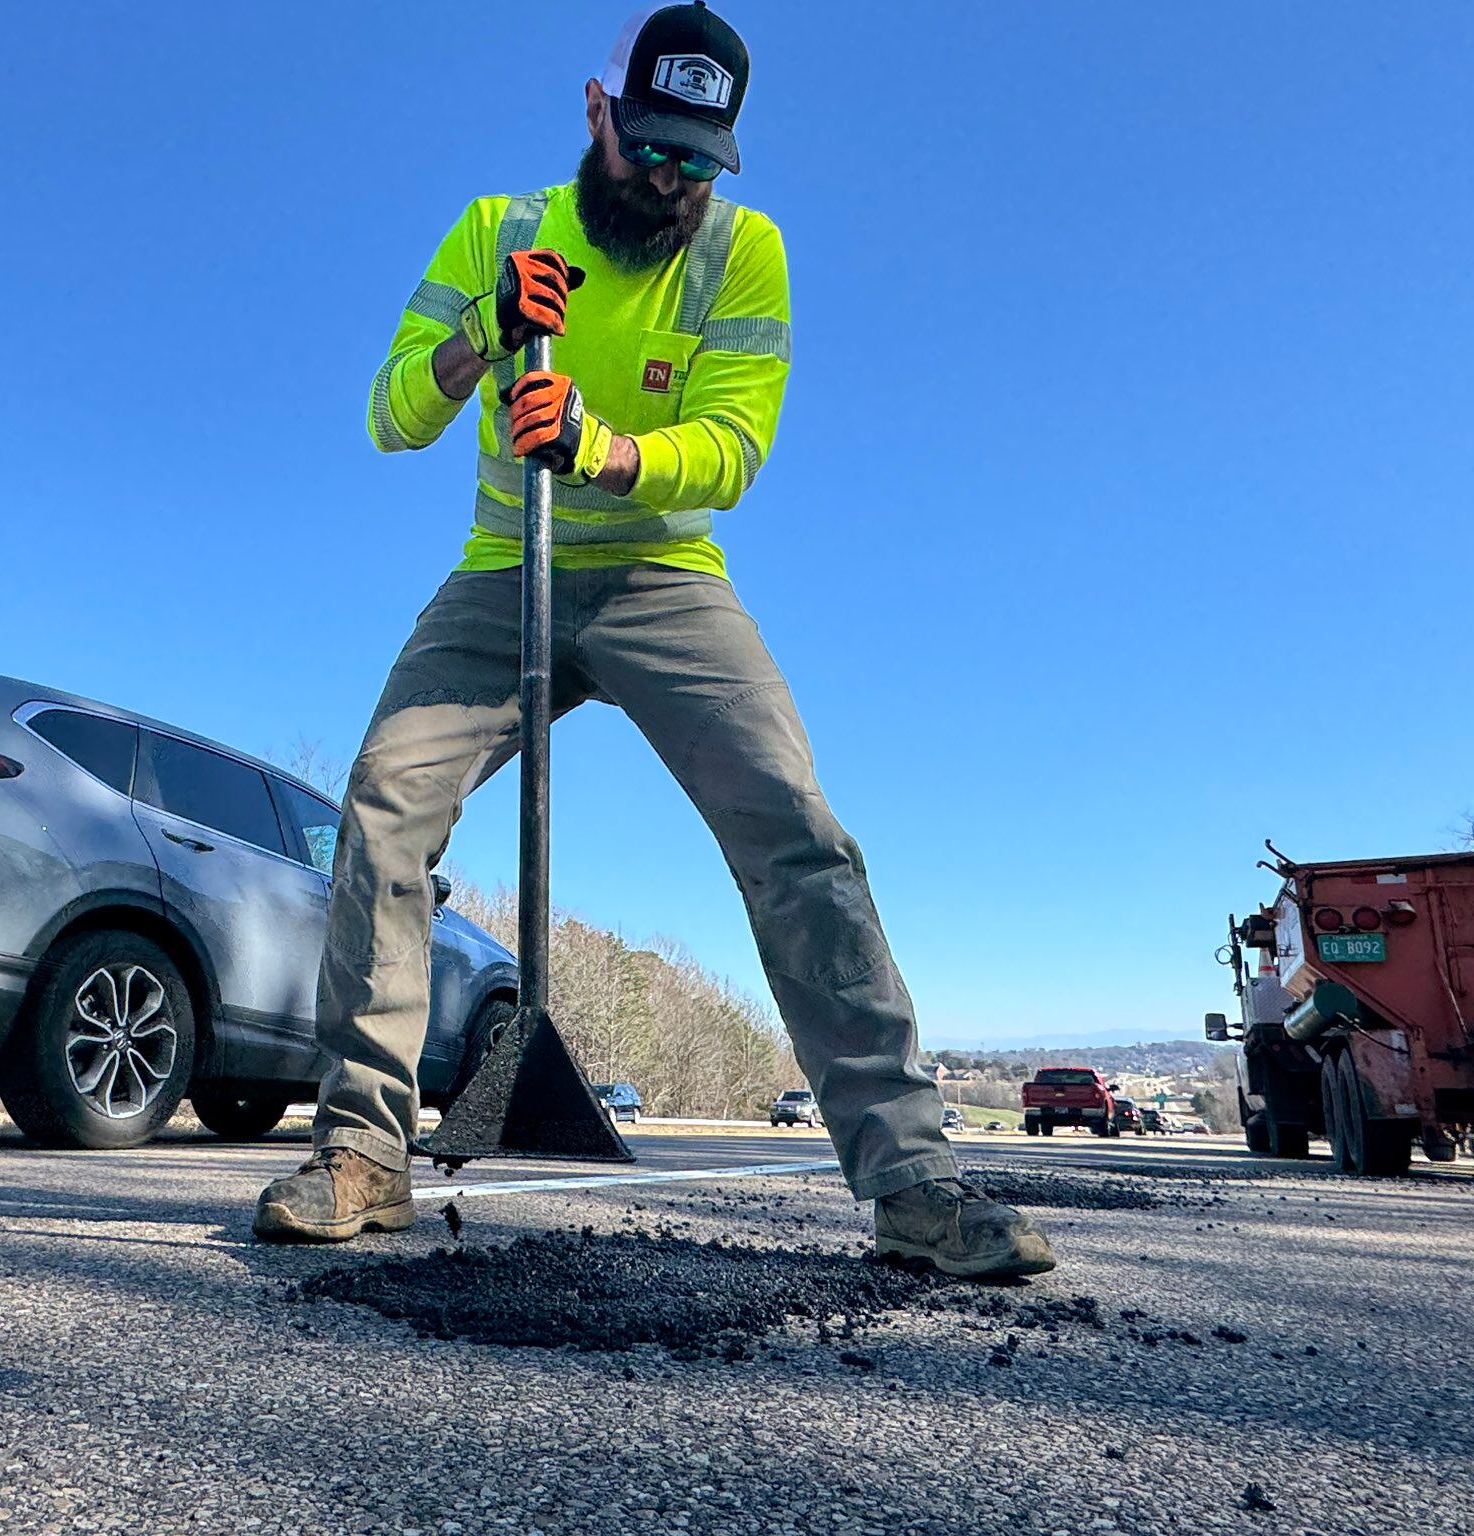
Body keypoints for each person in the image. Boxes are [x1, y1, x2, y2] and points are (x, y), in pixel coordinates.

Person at [254, 2, 1055, 1280]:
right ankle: (361, 1153)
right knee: (381, 811)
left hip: (662, 576)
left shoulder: (746, 251)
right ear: (596, 112)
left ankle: (912, 1183)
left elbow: (731, 450)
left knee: (795, 833)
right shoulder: (498, 228)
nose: (672, 179)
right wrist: (481, 335)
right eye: (650, 147)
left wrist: (602, 447)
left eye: (698, 157)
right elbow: (389, 416)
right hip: (500, 573)